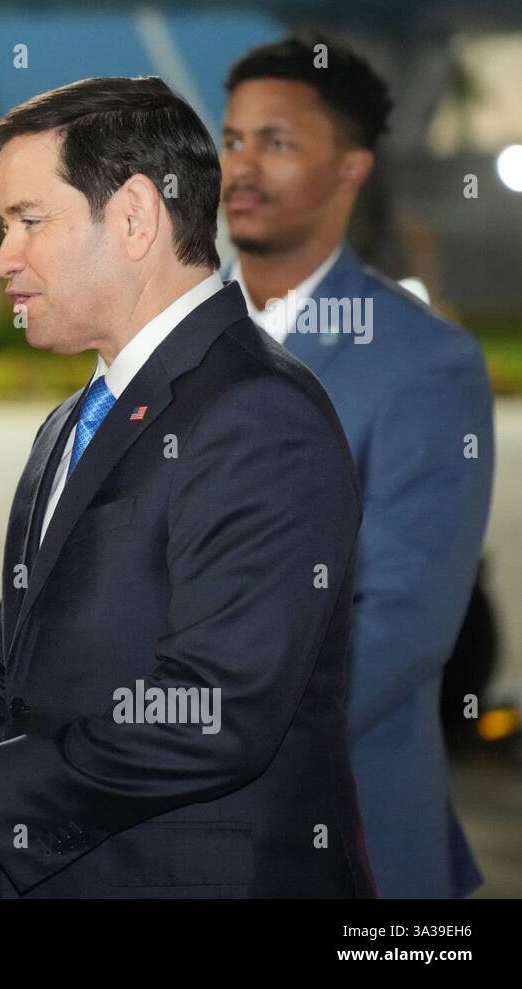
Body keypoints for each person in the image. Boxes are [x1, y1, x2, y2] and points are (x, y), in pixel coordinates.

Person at [0, 77, 375, 897]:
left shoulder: (259, 414)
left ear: (134, 216)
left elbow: (209, 714)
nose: (1, 257)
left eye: (27, 221)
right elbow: (21, 678)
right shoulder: (73, 421)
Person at [220, 35, 495, 897]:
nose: (242, 166)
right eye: (231, 139)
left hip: (341, 840)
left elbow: (403, 624)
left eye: (279, 141)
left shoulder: (423, 364)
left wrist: (193, 753)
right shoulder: (161, 339)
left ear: (350, 169)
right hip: (155, 839)